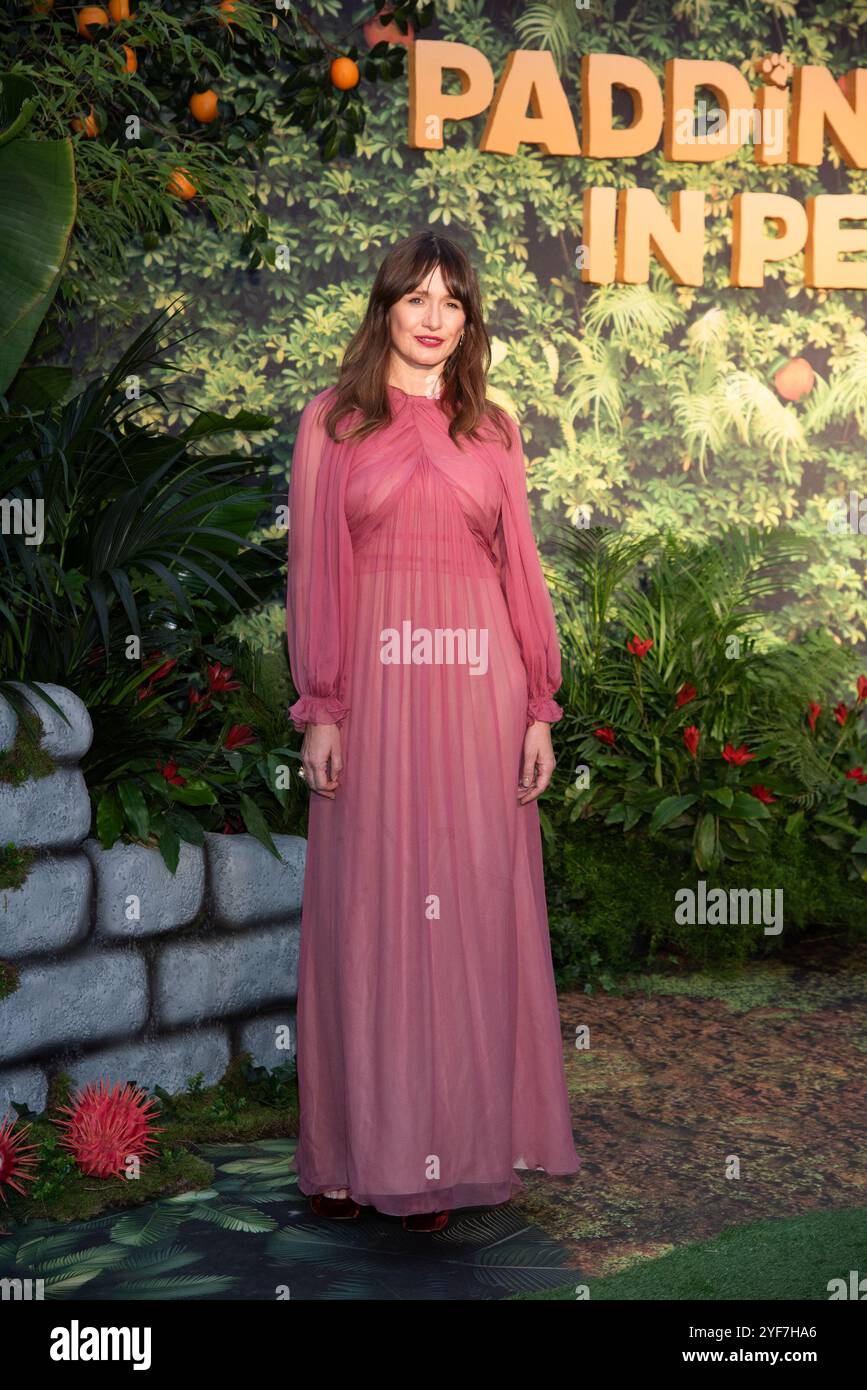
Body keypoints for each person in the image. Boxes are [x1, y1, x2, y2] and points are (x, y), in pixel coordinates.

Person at [286, 231, 580, 1233]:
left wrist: (540, 706)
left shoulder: (494, 430)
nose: (431, 315)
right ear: (385, 308)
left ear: (469, 319)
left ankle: (442, 1155)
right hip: (370, 695)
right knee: (364, 912)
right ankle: (350, 1149)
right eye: (415, 296)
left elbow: (521, 574)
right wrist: (319, 704)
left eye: (451, 300)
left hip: (476, 694)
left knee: (465, 918)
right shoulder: (331, 421)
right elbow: (316, 569)